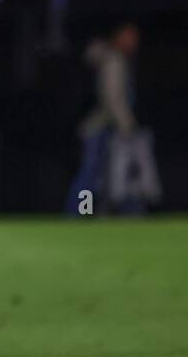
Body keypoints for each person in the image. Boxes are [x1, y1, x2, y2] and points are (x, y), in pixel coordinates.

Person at [64, 23, 160, 214]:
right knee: (90, 174)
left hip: (107, 128)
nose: (133, 42)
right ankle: (73, 215)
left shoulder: (118, 59)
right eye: (129, 36)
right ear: (118, 36)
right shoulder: (113, 60)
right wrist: (127, 126)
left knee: (108, 177)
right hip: (100, 128)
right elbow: (112, 98)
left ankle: (105, 214)